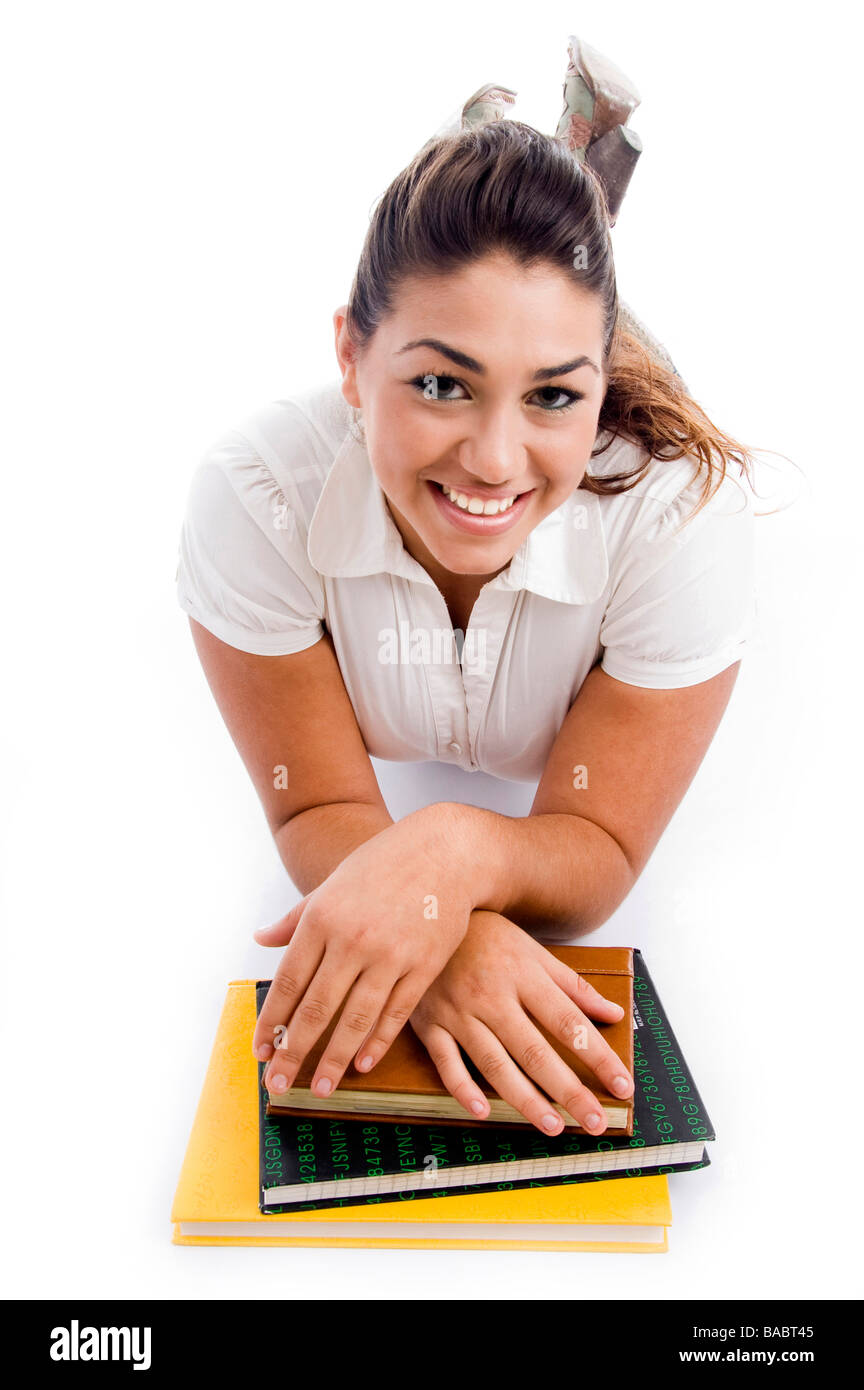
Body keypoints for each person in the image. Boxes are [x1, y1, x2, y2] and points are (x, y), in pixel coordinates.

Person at [175, 117, 757, 1139]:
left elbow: (599, 840)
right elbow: (313, 801)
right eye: (441, 383)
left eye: (553, 395)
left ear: (599, 383)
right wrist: (444, 939)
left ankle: (545, 178)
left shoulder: (678, 516)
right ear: (351, 356)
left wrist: (449, 850)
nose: (493, 460)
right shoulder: (258, 496)